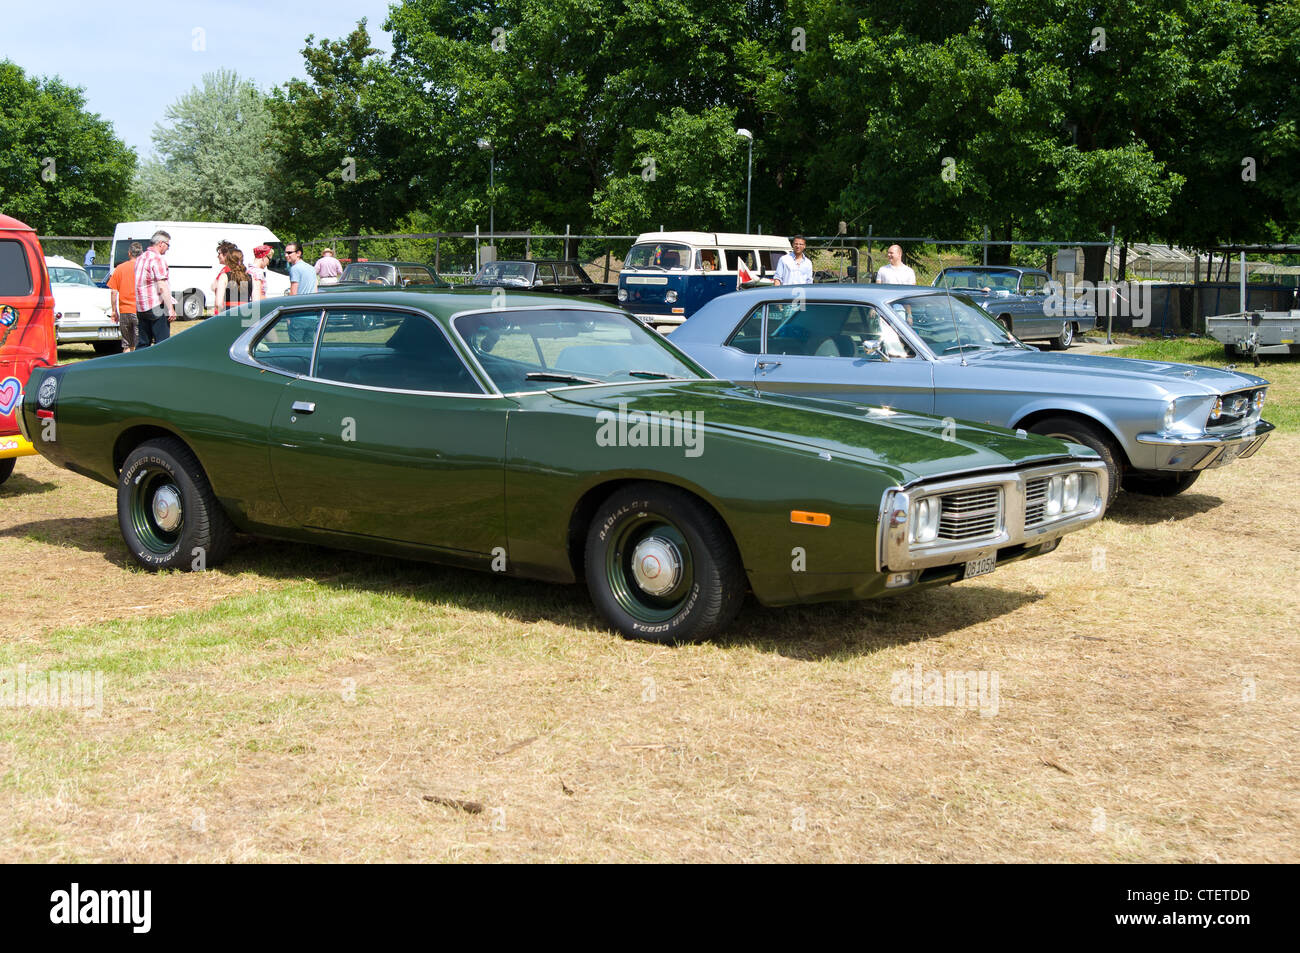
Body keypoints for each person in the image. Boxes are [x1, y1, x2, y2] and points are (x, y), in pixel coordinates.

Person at [134, 231, 175, 347]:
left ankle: (140, 364)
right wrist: (170, 308)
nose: (168, 249)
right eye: (168, 245)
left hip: (141, 307)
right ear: (161, 243)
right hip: (156, 306)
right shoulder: (157, 259)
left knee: (143, 343)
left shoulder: (140, 258)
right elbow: (162, 286)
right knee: (162, 344)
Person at [105, 242, 142, 352]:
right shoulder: (142, 268)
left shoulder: (120, 268)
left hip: (124, 311)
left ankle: (127, 364)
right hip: (139, 310)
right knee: (138, 343)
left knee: (126, 343)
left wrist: (114, 311)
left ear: (129, 253)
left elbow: (113, 292)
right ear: (141, 253)